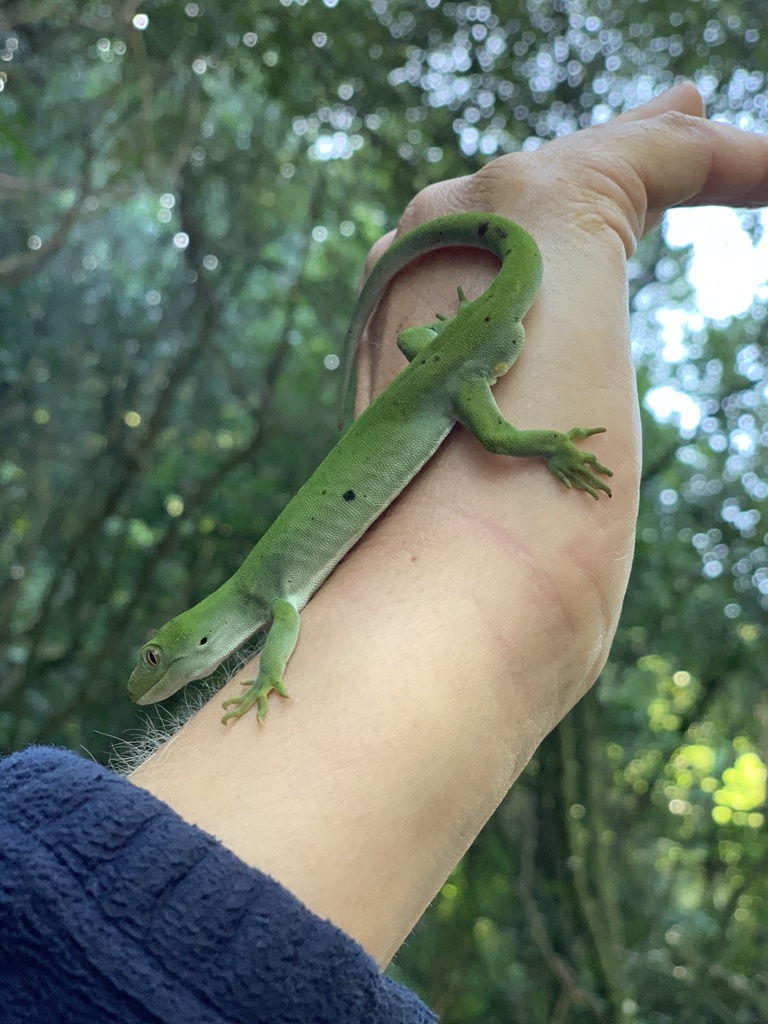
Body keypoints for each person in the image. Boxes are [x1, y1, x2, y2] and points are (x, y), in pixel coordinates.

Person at [2, 81, 767, 1023]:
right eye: (159, 661)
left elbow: (285, 627)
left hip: (461, 377)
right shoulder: (254, 596)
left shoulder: (263, 601)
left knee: (500, 437)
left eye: (162, 659)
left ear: (188, 639)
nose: (160, 672)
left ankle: (552, 446)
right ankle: (484, 372)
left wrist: (273, 683)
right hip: (447, 359)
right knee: (429, 357)